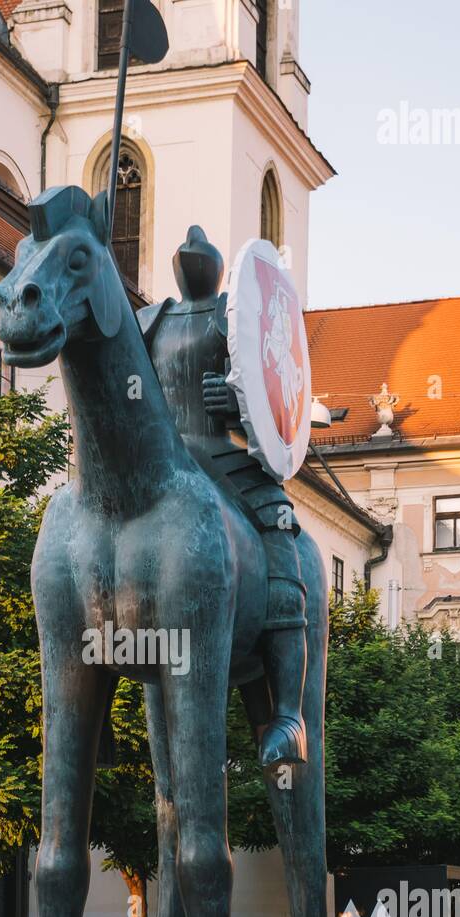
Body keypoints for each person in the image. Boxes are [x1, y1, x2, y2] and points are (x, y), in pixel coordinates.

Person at [137, 226, 308, 769]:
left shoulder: (239, 314)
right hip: (162, 463)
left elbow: (276, 387)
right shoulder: (149, 320)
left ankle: (288, 713)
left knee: (278, 524)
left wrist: (236, 404)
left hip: (226, 458)